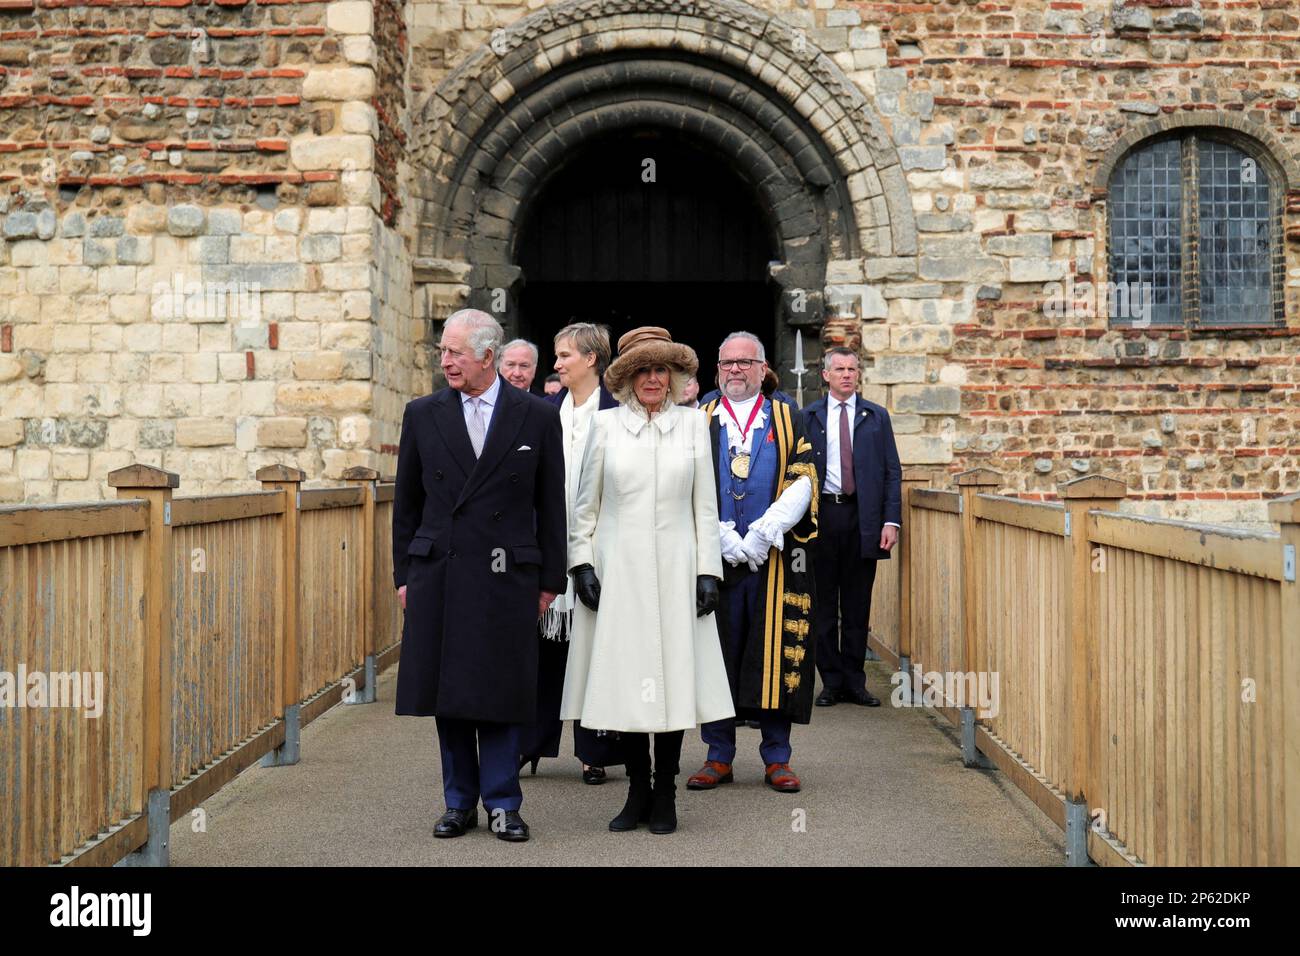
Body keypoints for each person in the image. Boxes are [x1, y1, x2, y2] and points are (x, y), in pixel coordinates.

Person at [391, 309, 566, 843]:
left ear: (487, 356)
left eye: (455, 352)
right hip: (440, 570)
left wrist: (549, 581)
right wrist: (404, 575)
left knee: (502, 688)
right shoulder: (422, 413)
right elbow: (407, 503)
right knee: (450, 693)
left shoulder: (535, 415)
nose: (445, 360)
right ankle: (459, 801)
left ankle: (504, 803)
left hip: (507, 573)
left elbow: (550, 503)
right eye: (443, 351)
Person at [561, 326, 734, 834]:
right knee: (626, 684)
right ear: (627, 379)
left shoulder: (693, 426)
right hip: (620, 574)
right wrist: (582, 564)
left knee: (674, 682)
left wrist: (708, 571)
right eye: (643, 371)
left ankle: (666, 793)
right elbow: (584, 507)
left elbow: (706, 507)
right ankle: (637, 789)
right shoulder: (606, 427)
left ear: (676, 376)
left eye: (662, 370)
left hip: (679, 571)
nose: (653, 379)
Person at [687, 331, 819, 795]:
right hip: (716, 558)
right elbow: (685, 483)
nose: (736, 370)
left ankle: (776, 758)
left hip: (773, 560)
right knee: (717, 655)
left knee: (772, 654)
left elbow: (803, 478)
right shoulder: (698, 419)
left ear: (763, 369)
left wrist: (765, 531)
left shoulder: (787, 416)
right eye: (728, 363)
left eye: (746, 362)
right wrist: (723, 536)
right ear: (716, 370)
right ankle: (717, 755)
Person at [517, 322, 621, 785]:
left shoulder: (617, 413)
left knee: (596, 650)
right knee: (542, 650)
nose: (555, 365)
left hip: (601, 547)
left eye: (564, 356)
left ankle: (594, 751)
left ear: (591, 360)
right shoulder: (543, 411)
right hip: (546, 545)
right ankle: (532, 743)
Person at [803, 346, 902, 707]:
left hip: (864, 518)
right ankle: (830, 681)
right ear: (825, 375)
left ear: (858, 374)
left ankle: (855, 681)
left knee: (858, 605)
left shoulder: (876, 417)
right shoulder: (809, 416)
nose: (846, 374)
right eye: (839, 369)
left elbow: (892, 471)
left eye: (852, 369)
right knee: (824, 605)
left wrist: (891, 520)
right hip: (824, 516)